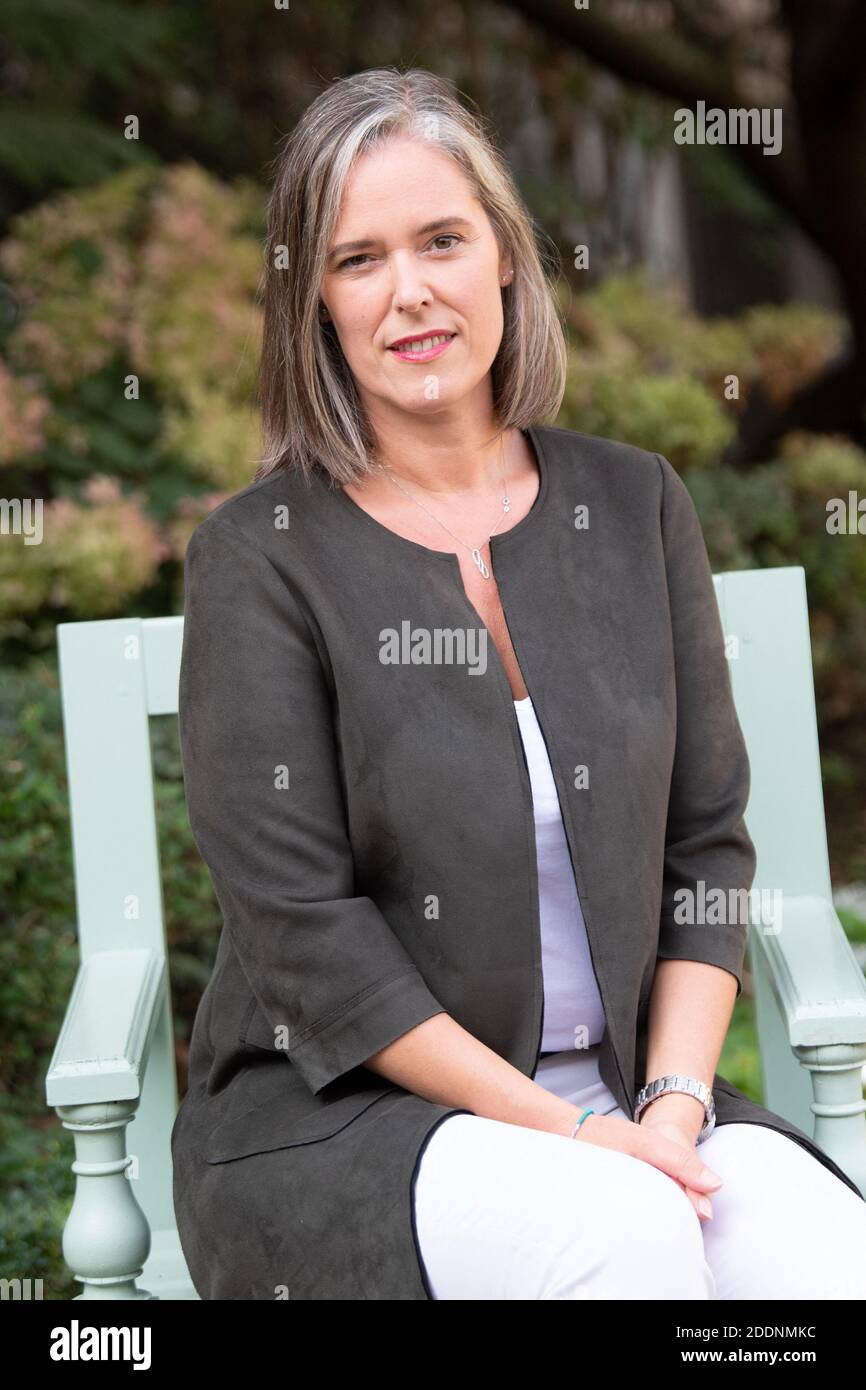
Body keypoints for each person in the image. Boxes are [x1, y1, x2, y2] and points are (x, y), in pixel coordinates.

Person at [172, 66, 866, 1302]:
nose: (410, 292)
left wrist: (669, 1102)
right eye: (357, 259)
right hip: (353, 1126)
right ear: (314, 303)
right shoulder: (258, 558)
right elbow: (307, 938)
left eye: (441, 239)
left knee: (823, 1254)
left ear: (502, 255)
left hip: (630, 1095)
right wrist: (582, 1142)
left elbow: (705, 851)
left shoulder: (634, 502)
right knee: (624, 1236)